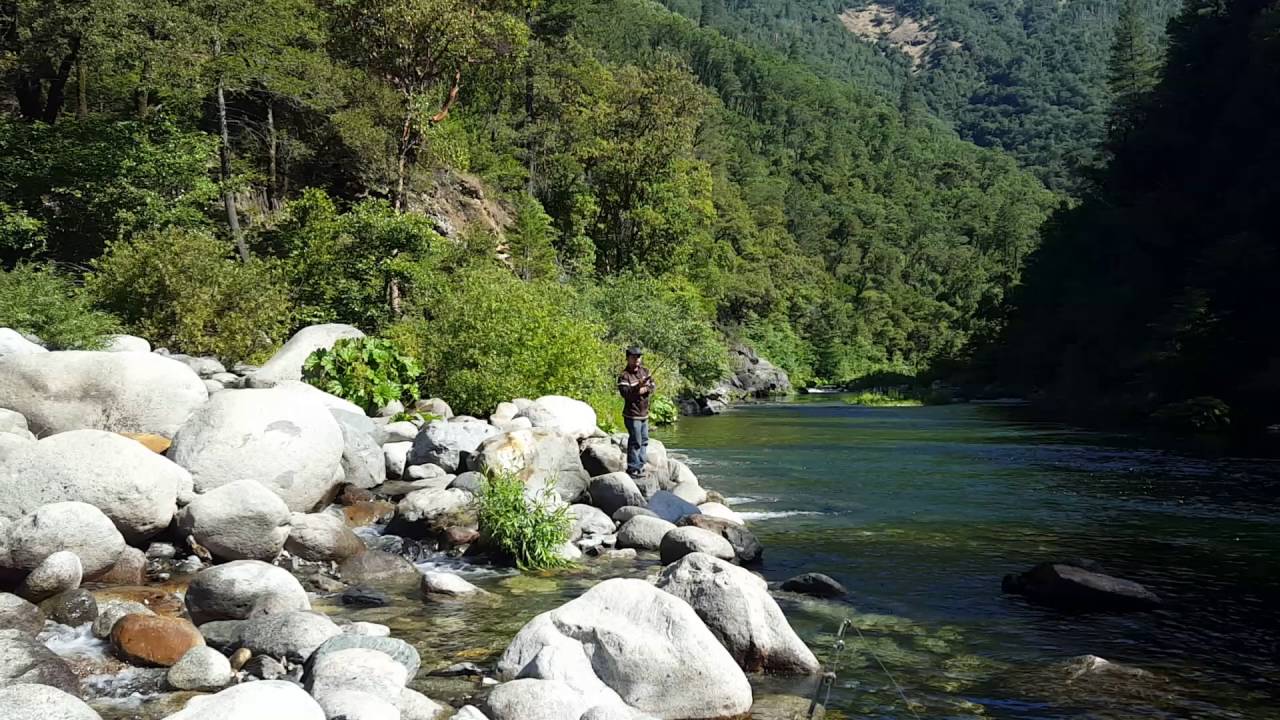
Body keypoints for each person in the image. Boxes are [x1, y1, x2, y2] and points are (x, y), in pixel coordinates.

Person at [617, 346, 656, 479]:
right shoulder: (624, 376)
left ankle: (641, 464)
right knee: (636, 441)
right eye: (634, 357)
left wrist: (644, 388)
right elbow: (625, 393)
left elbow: (652, 386)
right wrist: (637, 387)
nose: (637, 359)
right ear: (628, 358)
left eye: (639, 357)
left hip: (644, 413)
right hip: (632, 414)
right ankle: (633, 468)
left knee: (644, 440)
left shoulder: (645, 371)